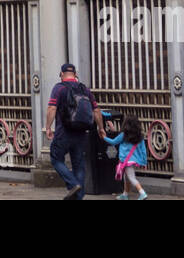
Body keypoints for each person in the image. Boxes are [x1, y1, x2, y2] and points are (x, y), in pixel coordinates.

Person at [43, 63, 105, 200]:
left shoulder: (59, 89)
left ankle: (73, 184)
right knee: (79, 165)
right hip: (81, 134)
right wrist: (101, 128)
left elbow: (52, 109)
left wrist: (48, 127)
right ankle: (78, 196)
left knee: (56, 158)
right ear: (75, 74)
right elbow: (96, 110)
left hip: (63, 133)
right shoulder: (85, 90)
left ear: (61, 74)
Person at [103, 114, 148, 200]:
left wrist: (104, 137)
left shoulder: (124, 135)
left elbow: (113, 142)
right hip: (134, 161)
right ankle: (125, 194)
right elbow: (143, 150)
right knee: (126, 178)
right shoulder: (139, 136)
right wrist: (144, 161)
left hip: (126, 161)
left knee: (131, 178)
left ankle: (142, 193)